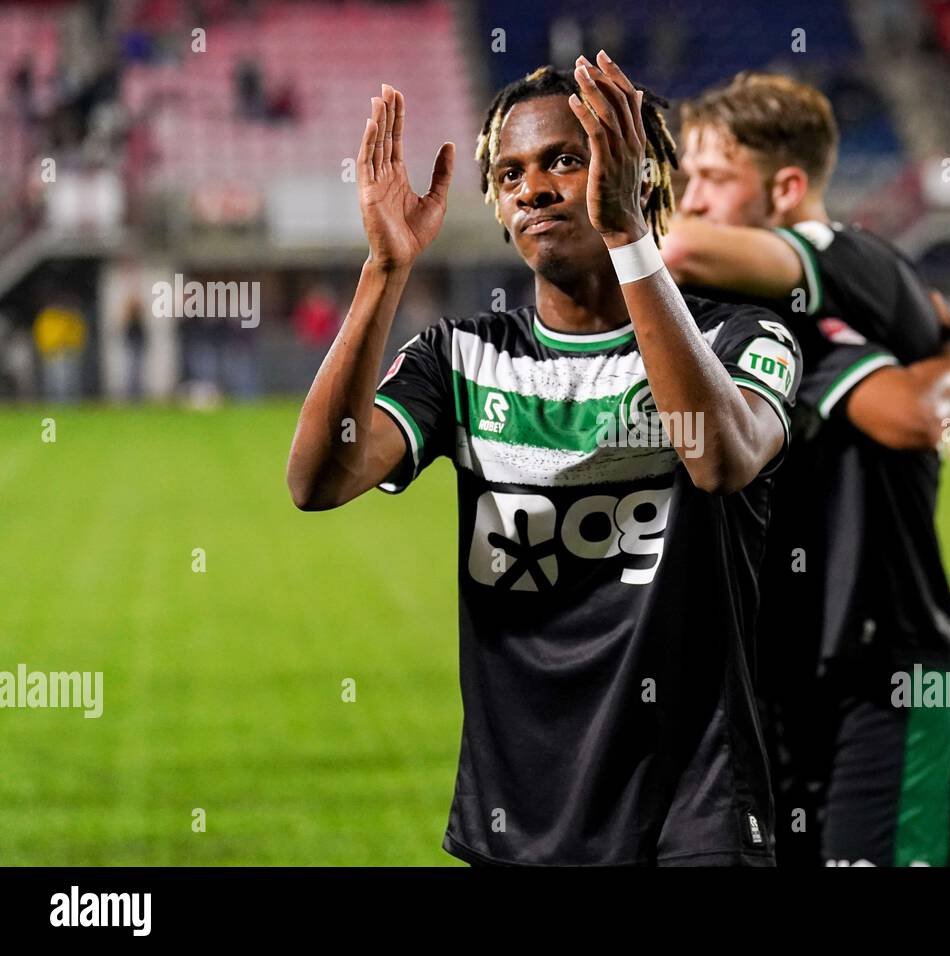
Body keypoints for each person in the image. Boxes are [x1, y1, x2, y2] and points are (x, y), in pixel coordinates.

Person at [286, 53, 802, 867]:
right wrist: (385, 269)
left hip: (693, 807)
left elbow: (722, 459)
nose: (535, 188)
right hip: (518, 813)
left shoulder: (741, 338)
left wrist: (629, 236)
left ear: (640, 171)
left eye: (566, 159)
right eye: (511, 172)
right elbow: (318, 481)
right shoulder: (457, 358)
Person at [662, 72, 950, 867]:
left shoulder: (843, 267)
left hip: (894, 671)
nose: (690, 198)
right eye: (684, 178)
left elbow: (676, 247)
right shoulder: (753, 315)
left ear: (788, 187)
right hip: (787, 676)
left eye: (712, 178)